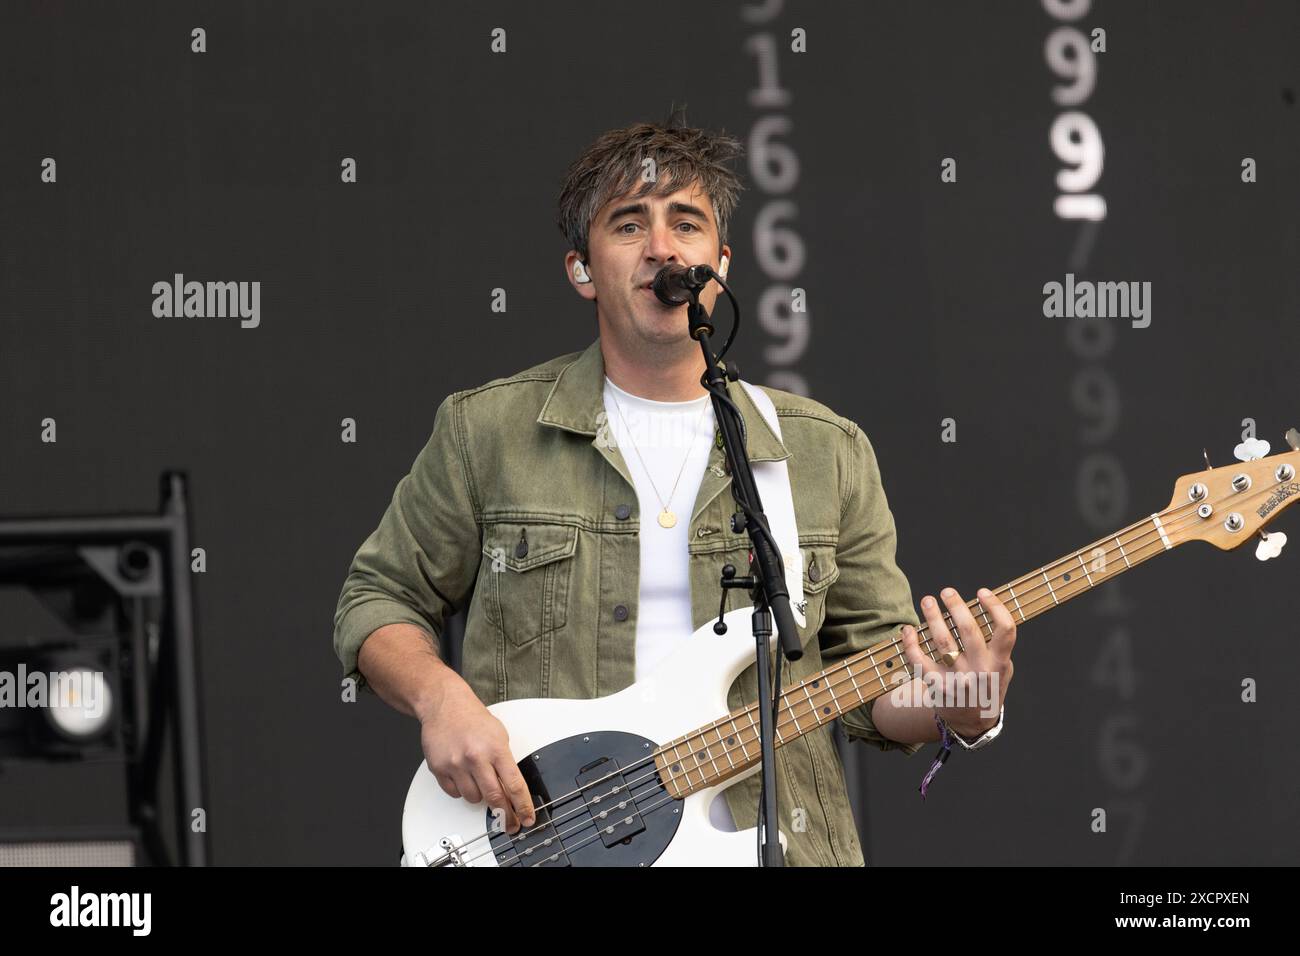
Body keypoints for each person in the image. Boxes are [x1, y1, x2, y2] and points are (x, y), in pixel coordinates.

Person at [333, 116, 1017, 867]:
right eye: (629, 224)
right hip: (545, 842)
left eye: (686, 224)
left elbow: (873, 691)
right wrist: (441, 698)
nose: (663, 247)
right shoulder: (487, 430)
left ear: (718, 264)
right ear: (581, 270)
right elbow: (377, 600)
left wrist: (962, 708)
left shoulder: (825, 450)